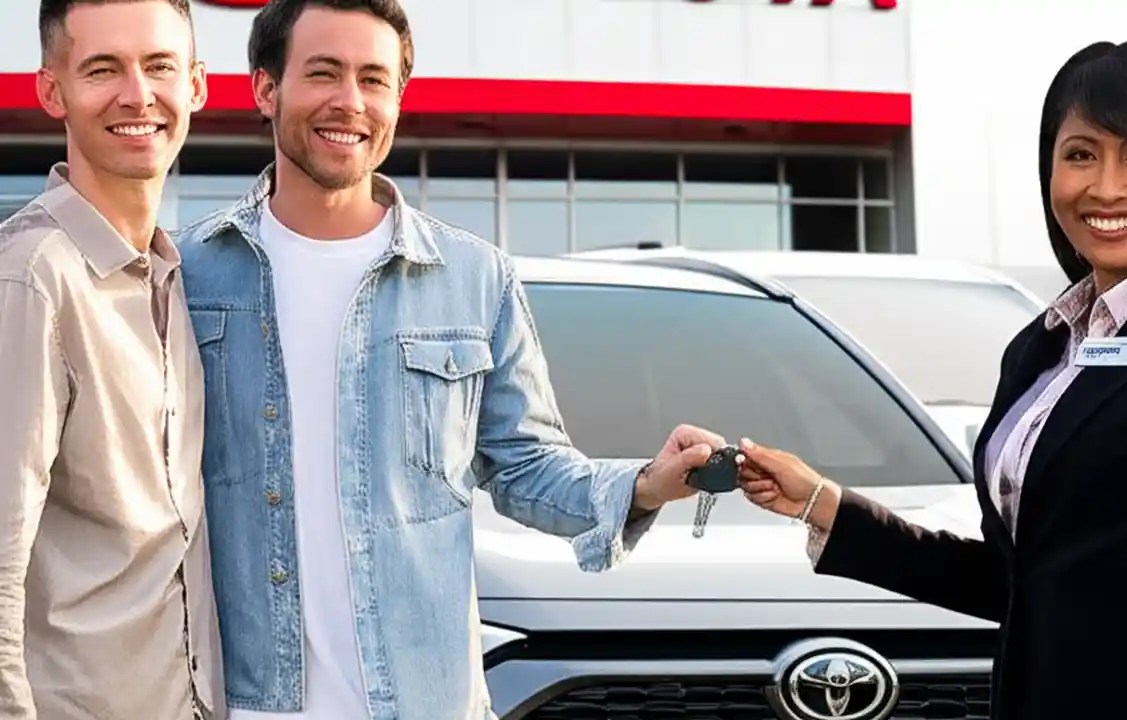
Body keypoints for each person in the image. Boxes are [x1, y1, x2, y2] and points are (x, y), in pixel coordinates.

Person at [174, 1, 722, 718]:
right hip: (241, 706)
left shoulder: (474, 279)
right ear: (265, 89)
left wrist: (646, 484)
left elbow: (524, 464)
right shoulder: (187, 274)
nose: (351, 102)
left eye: (375, 79)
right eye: (323, 73)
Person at [737, 39, 1127, 720]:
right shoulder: (1040, 350)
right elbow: (1025, 581)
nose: (1107, 187)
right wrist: (822, 502)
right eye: (1081, 154)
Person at [0, 1, 224, 719]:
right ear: (51, 90)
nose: (138, 94)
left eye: (159, 66)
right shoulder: (32, 278)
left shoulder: (178, 276)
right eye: (102, 69)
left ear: (196, 85)